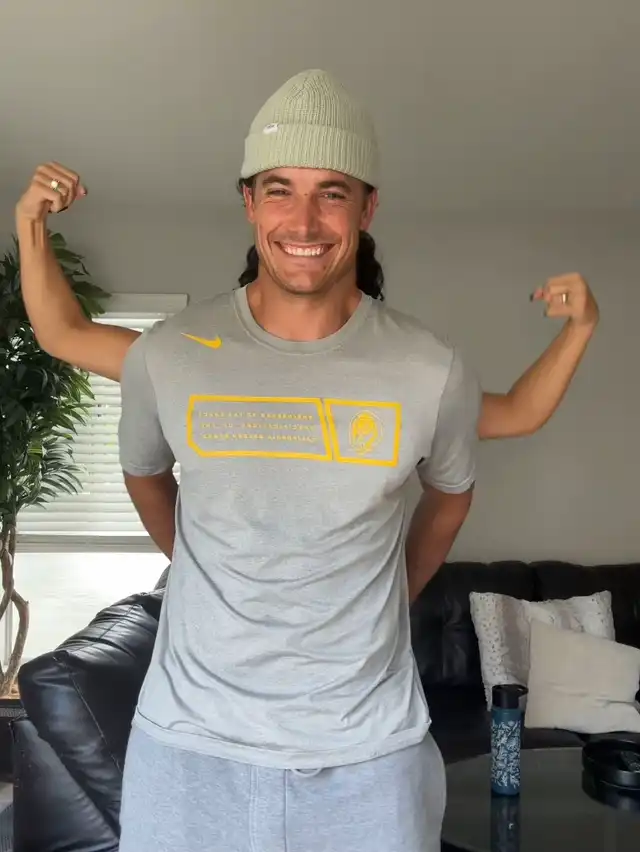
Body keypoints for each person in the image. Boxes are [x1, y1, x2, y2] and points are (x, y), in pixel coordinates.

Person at [13, 69, 597, 852]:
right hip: (188, 754)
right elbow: (76, 357)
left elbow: (477, 462)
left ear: (367, 208)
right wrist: (29, 227)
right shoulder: (173, 355)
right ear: (249, 202)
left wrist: (579, 331)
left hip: (370, 760)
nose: (304, 218)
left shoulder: (426, 371)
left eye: (332, 192)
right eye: (280, 190)